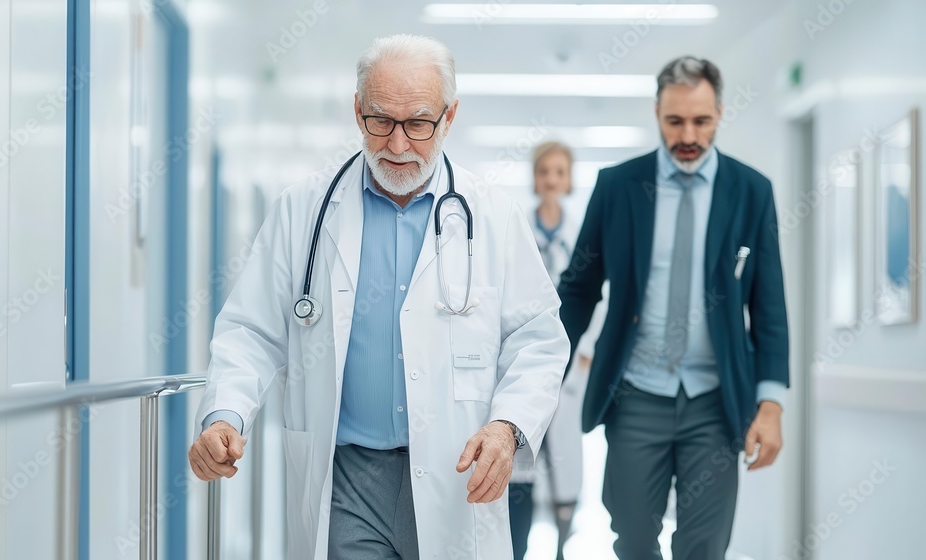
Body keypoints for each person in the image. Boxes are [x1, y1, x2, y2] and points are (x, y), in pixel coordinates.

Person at [187, 34, 569, 560]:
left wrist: (506, 429)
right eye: (380, 121)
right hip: (347, 479)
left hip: (455, 469)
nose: (396, 144)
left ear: (449, 116)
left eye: (417, 123)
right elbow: (251, 330)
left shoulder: (493, 217)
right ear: (357, 111)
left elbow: (539, 340)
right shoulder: (304, 211)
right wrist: (225, 415)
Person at [557, 56, 789, 560]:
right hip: (637, 393)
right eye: (675, 121)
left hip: (716, 400)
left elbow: (768, 307)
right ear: (657, 113)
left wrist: (770, 405)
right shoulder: (619, 186)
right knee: (634, 539)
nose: (688, 135)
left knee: (703, 546)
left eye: (701, 121)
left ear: (720, 114)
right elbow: (578, 288)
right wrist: (541, 372)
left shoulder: (751, 192)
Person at [508, 142, 592, 560]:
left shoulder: (582, 238)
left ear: (569, 178)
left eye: (560, 172)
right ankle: (517, 550)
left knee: (565, 470)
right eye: (545, 172)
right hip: (525, 368)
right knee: (520, 469)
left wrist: (586, 353)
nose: (552, 180)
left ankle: (562, 548)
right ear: (535, 177)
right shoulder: (516, 231)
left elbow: (598, 299)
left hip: (570, 374)